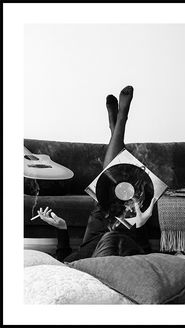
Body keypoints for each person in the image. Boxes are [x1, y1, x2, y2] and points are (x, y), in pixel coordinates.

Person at [37, 86, 156, 263]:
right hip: (129, 231)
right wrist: (140, 225)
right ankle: (118, 123)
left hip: (98, 229)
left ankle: (118, 123)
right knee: (120, 189)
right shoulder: (133, 266)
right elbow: (148, 259)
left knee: (108, 186)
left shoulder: (81, 264)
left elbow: (63, 260)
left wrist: (62, 228)